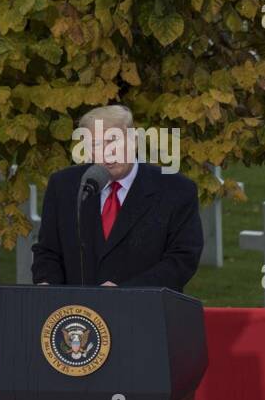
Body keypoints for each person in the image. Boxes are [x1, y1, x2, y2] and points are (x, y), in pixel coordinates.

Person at [32, 104, 202, 291]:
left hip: (144, 312)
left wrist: (126, 291)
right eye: (96, 144)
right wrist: (46, 284)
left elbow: (182, 259)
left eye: (113, 141)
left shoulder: (176, 189)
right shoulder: (65, 186)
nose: (107, 152)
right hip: (76, 315)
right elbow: (48, 252)